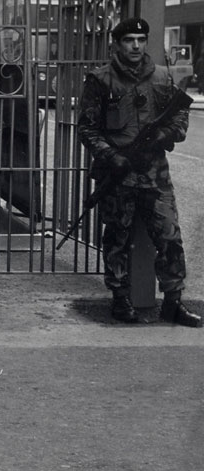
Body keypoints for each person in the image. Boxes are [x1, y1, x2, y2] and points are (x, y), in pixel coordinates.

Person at [76, 17, 199, 327]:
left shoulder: (161, 77)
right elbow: (87, 129)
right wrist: (109, 155)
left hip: (155, 174)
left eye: (140, 40)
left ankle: (173, 302)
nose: (135, 45)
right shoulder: (100, 80)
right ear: (117, 44)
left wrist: (164, 135)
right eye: (129, 39)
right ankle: (120, 299)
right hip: (117, 175)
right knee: (117, 237)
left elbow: (180, 118)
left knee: (170, 237)